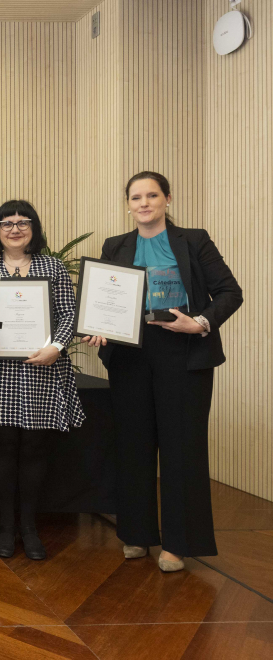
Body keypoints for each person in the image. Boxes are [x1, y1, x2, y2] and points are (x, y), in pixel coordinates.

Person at [81, 171, 242, 572]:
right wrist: (97, 327)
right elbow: (105, 300)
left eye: (152, 195)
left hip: (183, 352)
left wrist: (199, 322)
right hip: (130, 355)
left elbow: (230, 292)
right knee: (133, 446)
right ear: (128, 205)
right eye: (136, 197)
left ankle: (177, 544)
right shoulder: (115, 245)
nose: (144, 203)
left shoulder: (195, 240)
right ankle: (136, 534)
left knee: (181, 448)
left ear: (167, 199)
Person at [0, 200, 84, 561]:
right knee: (2, 447)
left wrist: (56, 347)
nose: (15, 229)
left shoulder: (52, 267)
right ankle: (6, 526)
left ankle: (30, 526)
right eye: (6, 223)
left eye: (22, 222)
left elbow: (69, 314)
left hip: (42, 365)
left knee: (35, 448)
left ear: (34, 228)